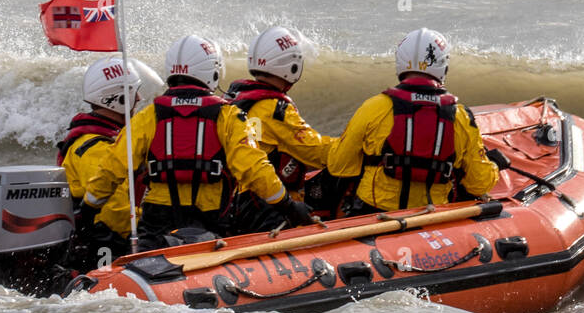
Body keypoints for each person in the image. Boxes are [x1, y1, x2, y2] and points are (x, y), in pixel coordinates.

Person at [80, 35, 315, 249]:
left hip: (157, 220)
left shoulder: (148, 116)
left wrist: (88, 210)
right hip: (208, 219)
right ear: (212, 73)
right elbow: (254, 169)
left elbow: (112, 169)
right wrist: (288, 205)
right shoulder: (228, 116)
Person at [326, 29, 500, 213]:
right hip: (432, 215)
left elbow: (339, 165)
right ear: (443, 66)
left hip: (372, 210)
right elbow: (479, 184)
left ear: (400, 63)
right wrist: (493, 166)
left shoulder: (373, 107)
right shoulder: (461, 117)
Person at [224, 27, 336, 230]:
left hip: (233, 201)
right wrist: (354, 144)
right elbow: (319, 153)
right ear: (292, 66)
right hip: (265, 205)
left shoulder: (235, 99)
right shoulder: (275, 110)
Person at [57, 57, 141, 269]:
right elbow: (115, 213)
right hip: (103, 245)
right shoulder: (95, 147)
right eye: (133, 92)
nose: (139, 98)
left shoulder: (108, 139)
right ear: (118, 98)